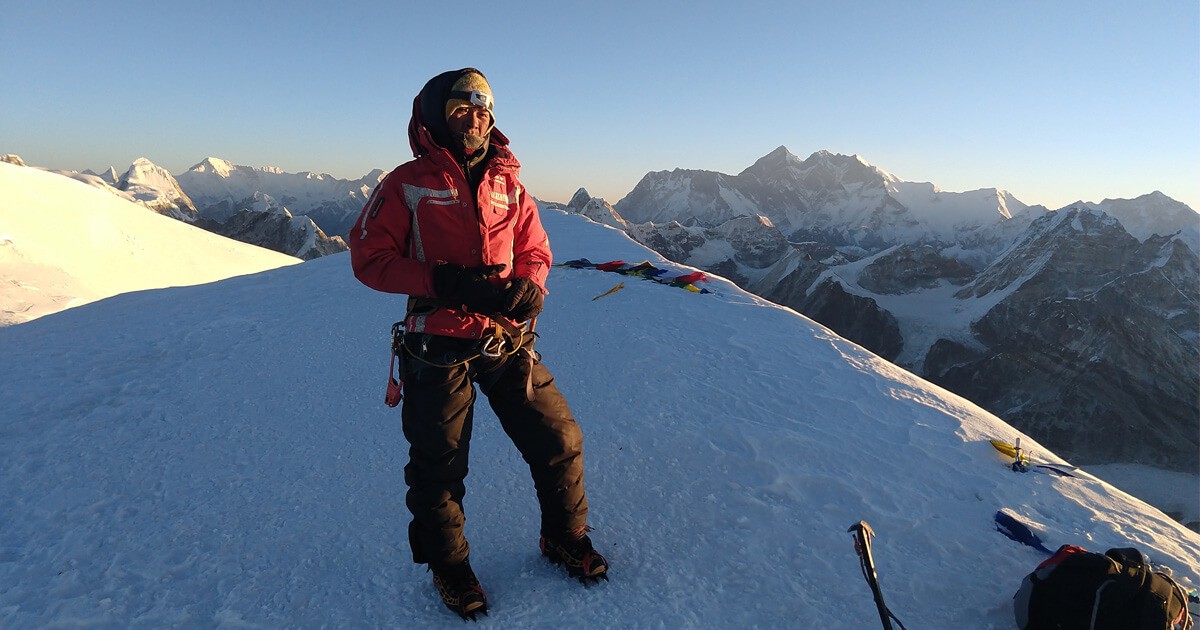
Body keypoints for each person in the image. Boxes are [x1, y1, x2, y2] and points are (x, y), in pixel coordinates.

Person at [349, 68, 608, 620]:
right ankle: (450, 566)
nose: (474, 117)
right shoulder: (406, 183)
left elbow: (535, 249)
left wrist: (531, 286)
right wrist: (442, 281)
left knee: (558, 435)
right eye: (461, 107)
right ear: (436, 115)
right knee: (439, 462)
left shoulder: (508, 181)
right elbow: (369, 259)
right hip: (436, 340)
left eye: (483, 107)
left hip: (503, 336)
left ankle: (565, 537)